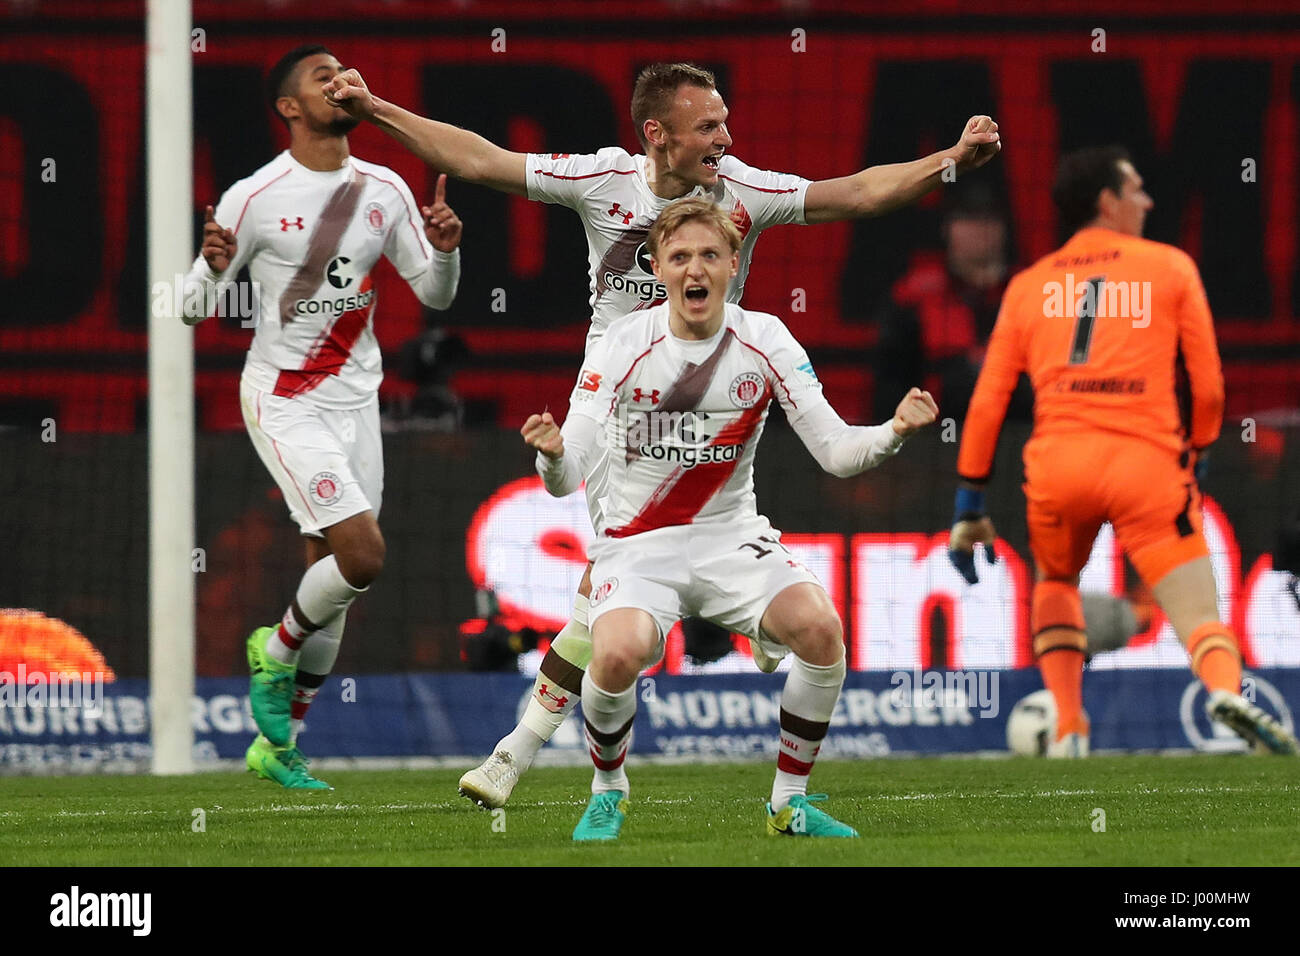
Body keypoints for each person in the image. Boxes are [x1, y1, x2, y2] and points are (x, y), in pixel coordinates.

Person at [323, 61, 996, 806]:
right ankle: (526, 755)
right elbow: (481, 159)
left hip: (716, 414)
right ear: (657, 135)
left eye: (724, 122)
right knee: (603, 596)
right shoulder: (602, 181)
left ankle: (523, 753)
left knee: (604, 599)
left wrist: (949, 162)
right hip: (620, 415)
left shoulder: (742, 191)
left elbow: (859, 193)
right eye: (708, 126)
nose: (725, 137)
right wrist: (376, 107)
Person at [523, 199, 938, 839]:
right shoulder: (621, 342)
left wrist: (893, 434)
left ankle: (788, 803)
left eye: (710, 255)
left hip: (730, 536)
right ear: (657, 268)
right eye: (681, 256)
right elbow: (569, 468)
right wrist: (551, 457)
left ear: (732, 265)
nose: (696, 269)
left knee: (822, 632)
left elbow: (835, 452)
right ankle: (608, 787)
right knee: (614, 657)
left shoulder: (766, 338)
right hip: (637, 544)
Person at [947, 146, 1298, 757]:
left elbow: (987, 405)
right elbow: (1210, 384)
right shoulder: (1170, 267)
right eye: (1136, 189)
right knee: (1198, 612)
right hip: (1145, 463)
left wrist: (968, 502)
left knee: (1056, 581)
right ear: (1107, 200)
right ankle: (1224, 690)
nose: (1148, 200)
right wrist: (1201, 451)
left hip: (1058, 466)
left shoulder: (1029, 286)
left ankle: (1069, 728)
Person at [182, 45, 463, 788]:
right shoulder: (254, 195)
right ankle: (272, 653)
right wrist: (209, 270)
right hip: (283, 398)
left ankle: (279, 748)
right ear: (291, 109)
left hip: (356, 404)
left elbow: (433, 294)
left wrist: (445, 252)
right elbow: (186, 309)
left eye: (345, 72)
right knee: (363, 554)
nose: (340, 83)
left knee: (336, 577)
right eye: (321, 76)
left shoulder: (387, 187)